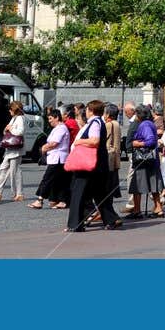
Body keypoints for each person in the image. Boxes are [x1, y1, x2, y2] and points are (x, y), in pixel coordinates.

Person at [66, 98, 121, 232]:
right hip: (98, 164)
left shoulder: (95, 122)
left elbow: (95, 141)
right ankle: (111, 220)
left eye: (88, 110)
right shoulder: (98, 122)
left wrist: (79, 142)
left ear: (91, 111)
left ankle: (76, 224)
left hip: (89, 164)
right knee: (99, 193)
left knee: (78, 192)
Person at [29, 107, 70, 210]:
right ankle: (62, 200)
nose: (49, 121)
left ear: (57, 117)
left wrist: (44, 148)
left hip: (58, 158)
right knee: (59, 180)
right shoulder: (57, 128)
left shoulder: (61, 128)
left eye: (51, 118)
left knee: (47, 179)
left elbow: (54, 143)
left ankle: (40, 199)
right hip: (56, 158)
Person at [0, 100, 27, 202]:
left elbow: (20, 132)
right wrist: (7, 129)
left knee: (14, 172)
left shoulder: (20, 118)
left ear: (14, 110)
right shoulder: (14, 118)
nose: (9, 111)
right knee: (4, 169)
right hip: (10, 149)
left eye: (10, 109)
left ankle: (17, 193)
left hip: (16, 150)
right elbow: (7, 131)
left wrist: (10, 129)